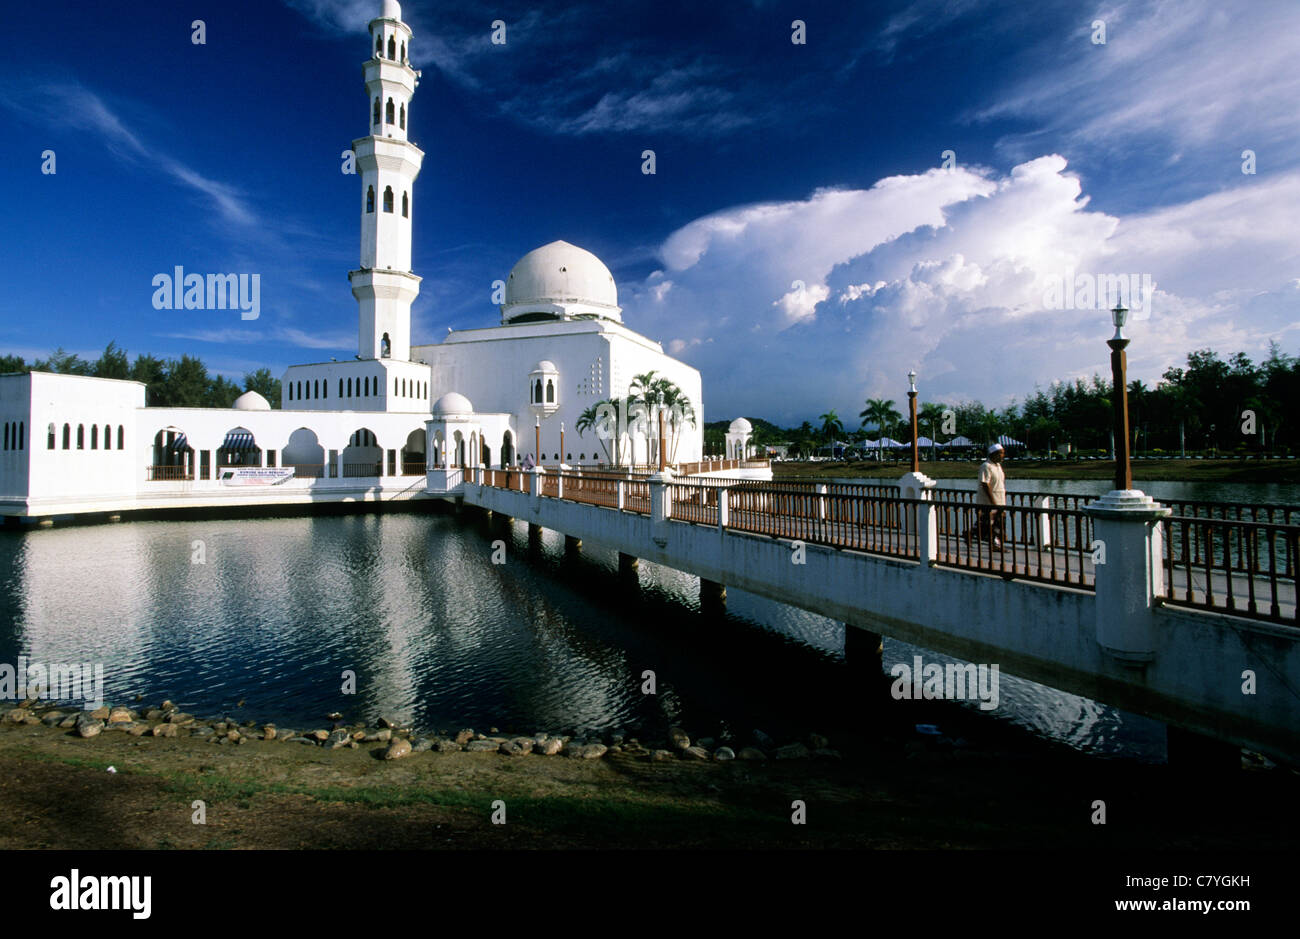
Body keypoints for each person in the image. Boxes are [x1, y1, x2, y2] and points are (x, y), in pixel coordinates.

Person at [966, 442, 1006, 548]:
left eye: (1003, 453)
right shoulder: (986, 466)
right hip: (988, 501)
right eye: (1000, 453)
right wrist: (992, 502)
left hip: (1000, 500)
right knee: (986, 523)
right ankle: (972, 535)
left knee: (997, 523)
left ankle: (994, 543)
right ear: (993, 454)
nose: (1002, 456)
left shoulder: (998, 466)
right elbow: (985, 484)